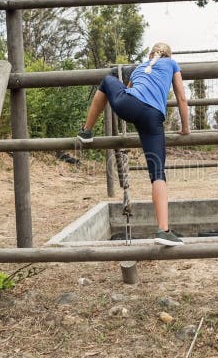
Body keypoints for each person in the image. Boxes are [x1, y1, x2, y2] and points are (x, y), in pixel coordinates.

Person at [77, 42, 190, 246]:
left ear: (150, 55)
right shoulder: (172, 64)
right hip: (153, 117)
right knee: (158, 174)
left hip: (129, 105)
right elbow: (182, 97)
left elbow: (128, 91)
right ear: (169, 55)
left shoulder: (140, 67)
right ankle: (164, 230)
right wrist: (186, 128)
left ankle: (86, 131)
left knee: (107, 81)